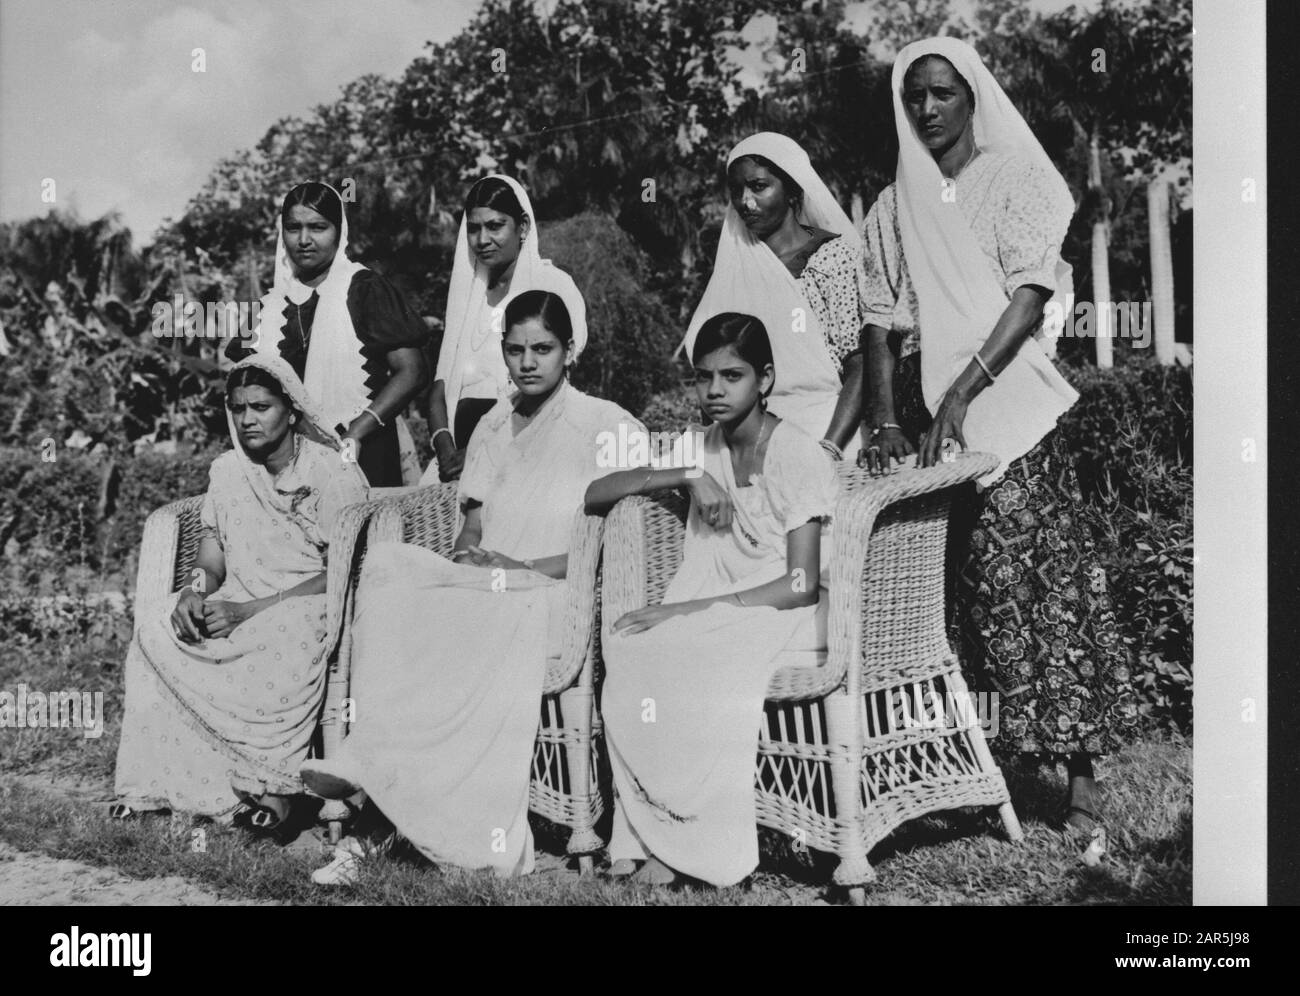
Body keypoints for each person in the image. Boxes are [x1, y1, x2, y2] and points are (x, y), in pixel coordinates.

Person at [857, 37, 1138, 831]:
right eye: (914, 97)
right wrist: (885, 417)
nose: (928, 109)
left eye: (943, 94)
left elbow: (1028, 294)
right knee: (953, 599)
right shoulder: (891, 205)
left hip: (1008, 415)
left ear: (972, 97)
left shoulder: (1016, 180)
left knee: (1046, 585)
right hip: (932, 429)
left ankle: (1081, 778)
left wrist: (963, 391)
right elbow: (879, 322)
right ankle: (969, 772)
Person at [300, 288, 640, 884]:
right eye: (515, 349)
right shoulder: (490, 425)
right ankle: (375, 780)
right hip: (485, 585)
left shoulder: (602, 423)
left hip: (550, 591)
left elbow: (618, 545)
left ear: (570, 352)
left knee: (436, 624)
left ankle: (376, 810)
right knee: (387, 569)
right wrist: (469, 559)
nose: (528, 362)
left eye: (543, 348)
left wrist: (516, 566)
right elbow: (470, 525)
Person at [587, 312, 840, 887]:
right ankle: (648, 831)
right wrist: (684, 474)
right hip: (718, 609)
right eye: (704, 378)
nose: (715, 391)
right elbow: (596, 492)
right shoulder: (700, 447)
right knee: (631, 650)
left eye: (733, 376)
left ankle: (697, 846)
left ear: (766, 379)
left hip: (789, 615)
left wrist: (689, 610)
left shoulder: (796, 453)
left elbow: (802, 584)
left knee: (693, 654)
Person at [112, 354, 369, 826]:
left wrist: (250, 610)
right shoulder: (228, 471)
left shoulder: (329, 473)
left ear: (291, 410)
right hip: (235, 598)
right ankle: (156, 786)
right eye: (237, 408)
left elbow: (343, 570)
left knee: (280, 633)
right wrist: (194, 592)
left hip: (307, 603)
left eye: (261, 406)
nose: (247, 418)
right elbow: (210, 559)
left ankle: (272, 791)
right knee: (156, 623)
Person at [228, 181, 430, 487]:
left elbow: (412, 371)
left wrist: (356, 432)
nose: (304, 239)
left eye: (318, 227)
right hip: (287, 461)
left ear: (339, 231)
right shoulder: (265, 308)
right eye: (294, 228)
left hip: (363, 447)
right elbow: (239, 384)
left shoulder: (365, 289)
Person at [684, 133, 870, 463]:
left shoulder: (832, 258)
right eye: (736, 190)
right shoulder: (735, 266)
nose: (745, 201)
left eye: (759, 186)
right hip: (747, 442)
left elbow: (859, 364)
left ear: (793, 191)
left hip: (826, 429)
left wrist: (828, 450)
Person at [424, 175, 586, 483]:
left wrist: (479, 450)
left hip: (526, 450)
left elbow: (554, 385)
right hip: (454, 459)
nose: (482, 239)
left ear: (522, 227)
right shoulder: (467, 296)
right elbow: (439, 389)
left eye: (495, 226)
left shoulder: (553, 286)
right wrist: (447, 452)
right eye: (473, 228)